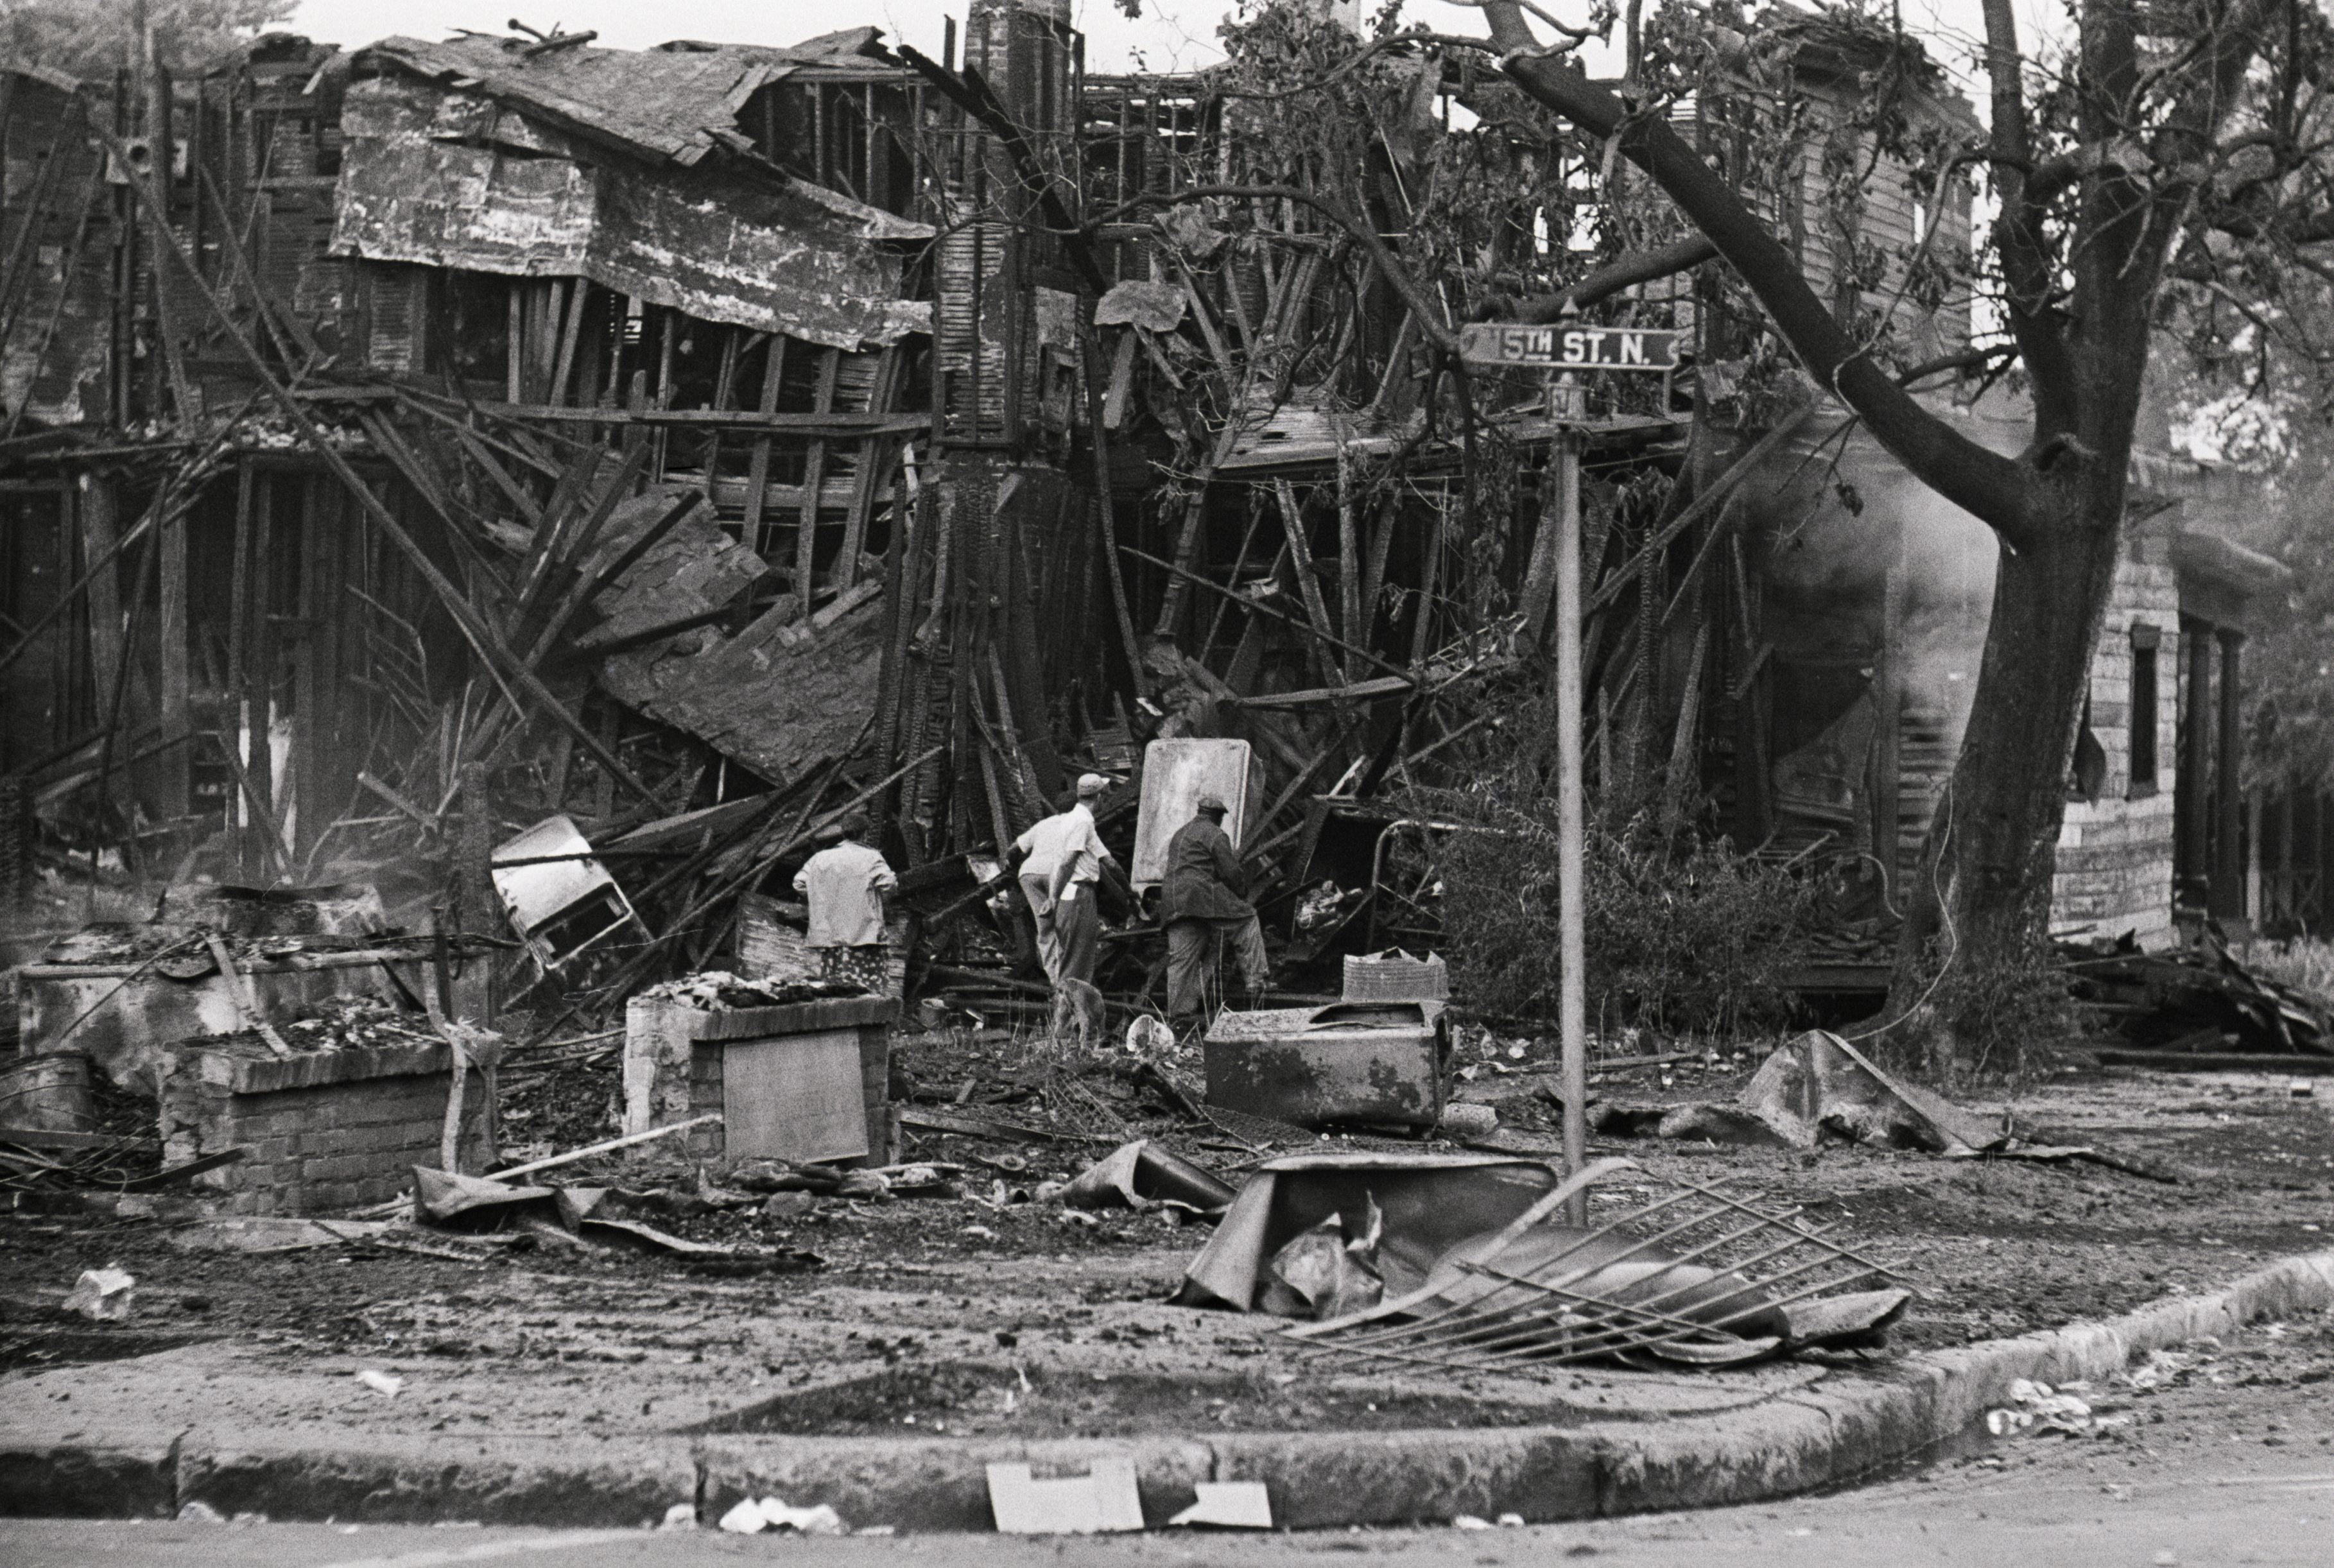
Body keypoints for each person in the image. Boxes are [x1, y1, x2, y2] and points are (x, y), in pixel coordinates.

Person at [1161, 793, 1269, 1026]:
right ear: (1218, 817)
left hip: (1172, 899)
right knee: (1247, 918)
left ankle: (1178, 1015)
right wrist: (1241, 893)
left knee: (1182, 957)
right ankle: (1255, 981)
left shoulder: (1180, 834)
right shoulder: (1215, 834)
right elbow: (1230, 872)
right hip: (1199, 893)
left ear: (1199, 812)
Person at [1010, 773, 1116, 986]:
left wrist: (1011, 865)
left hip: (1029, 873)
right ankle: (1068, 981)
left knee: (1046, 930)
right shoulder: (1079, 824)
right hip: (1057, 874)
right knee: (1067, 928)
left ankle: (1055, 981)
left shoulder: (1045, 823)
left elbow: (1014, 849)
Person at [792, 812, 897, 992]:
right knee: (867, 992)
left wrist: (822, 900)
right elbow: (889, 884)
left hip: (831, 937)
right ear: (865, 834)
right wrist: (876, 902)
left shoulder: (820, 858)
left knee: (833, 990)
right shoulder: (871, 858)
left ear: (843, 833)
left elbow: (799, 883)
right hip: (864, 937)